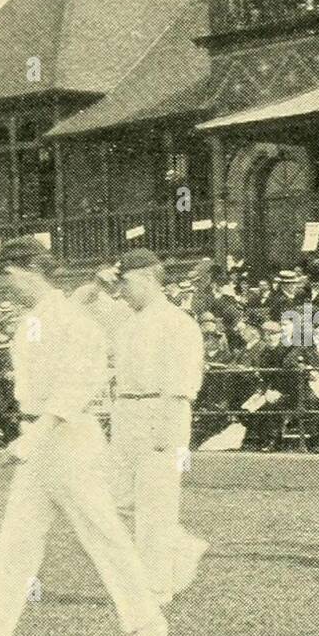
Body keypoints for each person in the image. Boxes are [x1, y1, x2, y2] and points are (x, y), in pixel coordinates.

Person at [0, 237, 167, 636]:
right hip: (44, 439)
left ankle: (146, 623)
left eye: (8, 271)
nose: (3, 280)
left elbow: (81, 383)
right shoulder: (39, 318)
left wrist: (34, 436)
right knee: (16, 540)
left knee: (102, 534)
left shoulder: (68, 320)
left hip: (69, 440)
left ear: (29, 271)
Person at [94, 248, 209, 605]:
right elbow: (84, 309)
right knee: (114, 501)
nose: (121, 290)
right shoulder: (125, 320)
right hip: (126, 414)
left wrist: (167, 430)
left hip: (162, 413)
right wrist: (101, 282)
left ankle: (157, 585)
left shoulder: (178, 322)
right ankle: (183, 546)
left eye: (125, 281)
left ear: (146, 278)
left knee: (156, 503)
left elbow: (184, 382)